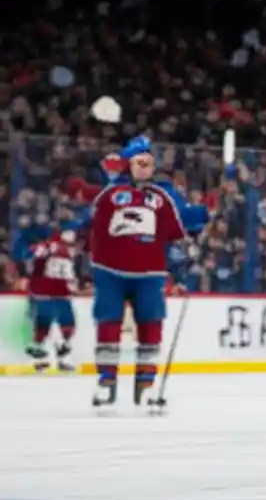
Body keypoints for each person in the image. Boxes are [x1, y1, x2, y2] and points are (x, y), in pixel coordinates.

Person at [88, 137, 208, 408]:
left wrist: (191, 244)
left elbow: (177, 230)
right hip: (110, 271)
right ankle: (106, 382)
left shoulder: (161, 196)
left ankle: (147, 383)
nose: (145, 168)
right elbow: (91, 226)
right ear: (128, 165)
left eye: (149, 164)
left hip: (150, 273)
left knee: (151, 325)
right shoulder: (109, 195)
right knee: (108, 324)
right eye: (139, 163)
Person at [24, 230, 81, 373]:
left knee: (49, 326)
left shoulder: (56, 248)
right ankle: (49, 358)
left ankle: (45, 359)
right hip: (50, 292)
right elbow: (32, 256)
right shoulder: (56, 248)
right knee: (61, 326)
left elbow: (30, 256)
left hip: (51, 292)